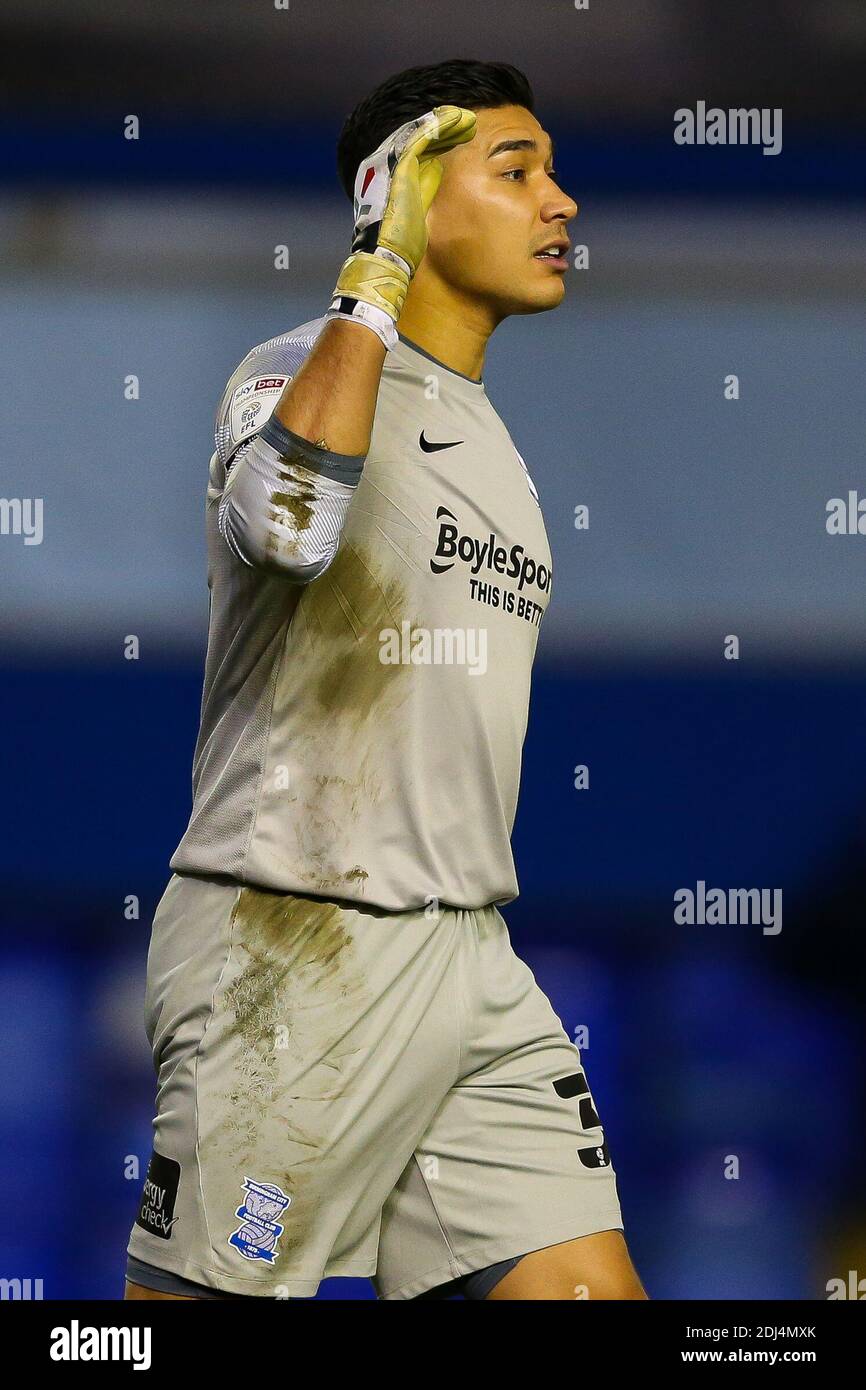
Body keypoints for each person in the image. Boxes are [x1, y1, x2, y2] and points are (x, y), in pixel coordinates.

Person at [125, 58, 647, 1302]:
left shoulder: (499, 451)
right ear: (400, 196)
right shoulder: (295, 362)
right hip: (292, 938)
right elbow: (293, 525)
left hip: (469, 957)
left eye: (554, 171)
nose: (560, 202)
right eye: (515, 171)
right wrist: (374, 266)